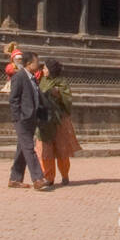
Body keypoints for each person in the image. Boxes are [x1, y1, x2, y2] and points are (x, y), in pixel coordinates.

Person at [8, 49, 50, 190]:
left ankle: (15, 178)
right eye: (36, 62)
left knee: (23, 148)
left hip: (31, 117)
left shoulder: (33, 78)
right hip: (22, 119)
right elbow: (13, 99)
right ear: (29, 63)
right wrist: (17, 117)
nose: (38, 65)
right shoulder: (19, 77)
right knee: (29, 148)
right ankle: (38, 178)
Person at [35, 57, 81, 185]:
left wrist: (58, 94)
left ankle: (65, 175)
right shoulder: (42, 80)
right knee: (45, 150)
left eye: (45, 68)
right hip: (45, 120)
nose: (43, 70)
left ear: (51, 70)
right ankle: (48, 177)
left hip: (59, 120)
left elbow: (67, 98)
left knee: (62, 150)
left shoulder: (61, 82)